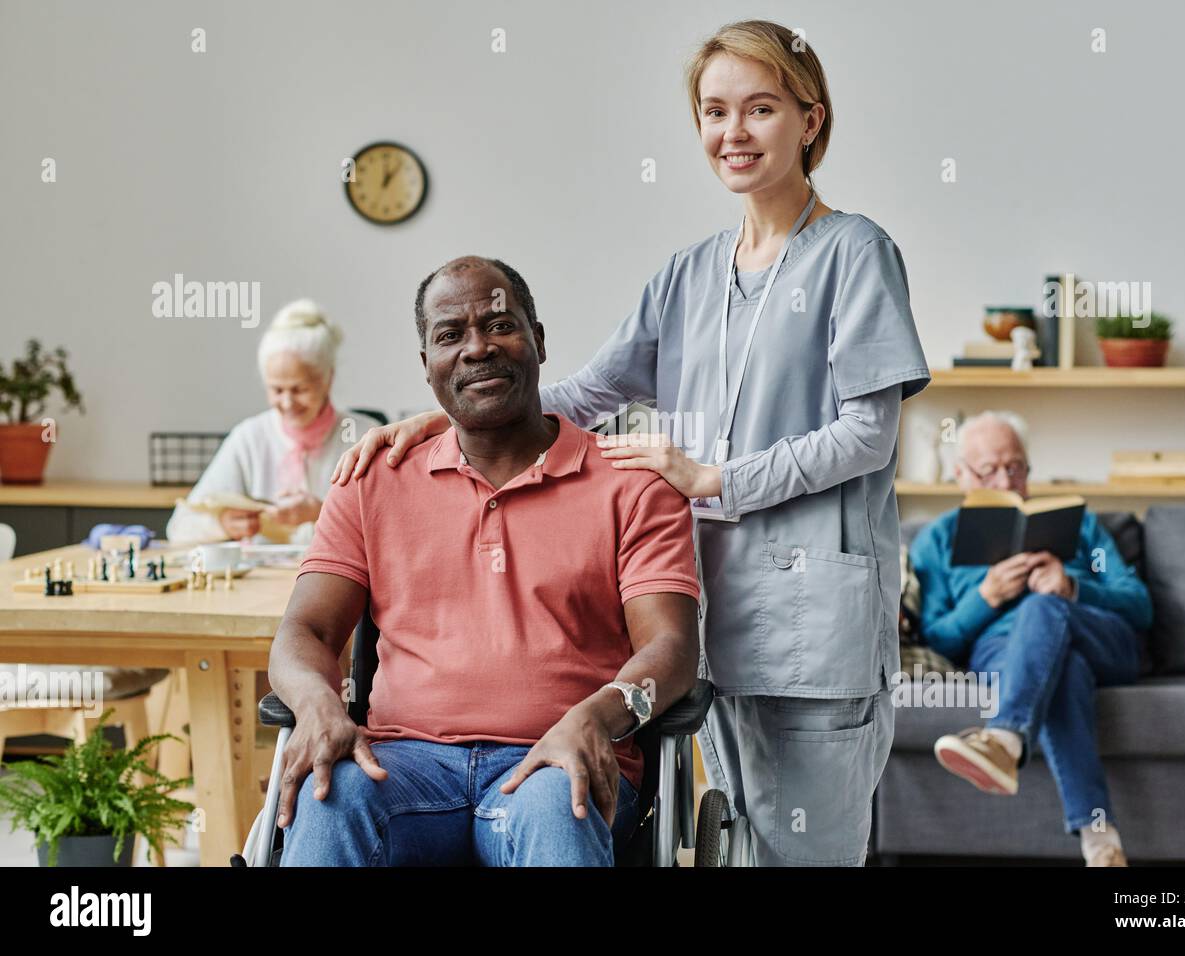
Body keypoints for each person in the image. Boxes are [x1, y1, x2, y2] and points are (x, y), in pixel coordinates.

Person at [330, 20, 930, 866]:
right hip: (710, 617)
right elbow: (577, 395)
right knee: (740, 847)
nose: (734, 132)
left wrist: (712, 478)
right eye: (715, 111)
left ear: (811, 121)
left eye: (760, 108)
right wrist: (442, 420)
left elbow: (869, 434)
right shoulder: (686, 276)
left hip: (812, 626)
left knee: (807, 855)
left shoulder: (856, 253)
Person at [272, 257, 700, 866]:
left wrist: (597, 718)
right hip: (403, 764)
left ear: (539, 341)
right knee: (327, 794)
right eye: (450, 336)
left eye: (499, 325)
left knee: (563, 804)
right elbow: (304, 631)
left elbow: (673, 648)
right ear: (428, 367)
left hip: (556, 759)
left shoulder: (632, 485)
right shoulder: (373, 482)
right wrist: (318, 705)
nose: (477, 349)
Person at [908, 411, 1153, 867]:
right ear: (960, 474)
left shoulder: (1081, 527)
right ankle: (1100, 841)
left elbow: (1138, 604)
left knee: (1044, 608)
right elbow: (938, 640)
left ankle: (1003, 738)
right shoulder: (936, 541)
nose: (1006, 480)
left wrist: (1074, 587)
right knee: (1063, 671)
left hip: (1101, 637)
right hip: (1007, 653)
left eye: (1016, 467)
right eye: (989, 470)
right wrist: (985, 598)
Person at [165, 300, 381, 545]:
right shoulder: (249, 438)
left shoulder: (365, 436)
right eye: (277, 389)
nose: (287, 403)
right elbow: (179, 527)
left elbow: (390, 528)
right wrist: (223, 524)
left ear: (327, 379)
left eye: (299, 389)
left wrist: (322, 512)